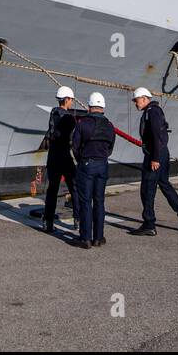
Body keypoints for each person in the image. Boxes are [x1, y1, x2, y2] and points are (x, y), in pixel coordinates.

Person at [129, 86, 178, 235]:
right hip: (160, 154)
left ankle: (149, 224)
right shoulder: (152, 111)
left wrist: (155, 158)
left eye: (136, 100)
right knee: (165, 186)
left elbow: (157, 135)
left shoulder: (152, 112)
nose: (135, 103)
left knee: (147, 189)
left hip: (155, 155)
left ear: (145, 98)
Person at [70, 92, 116, 249]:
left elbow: (75, 146)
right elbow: (110, 148)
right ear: (103, 107)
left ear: (89, 107)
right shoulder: (110, 126)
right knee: (99, 201)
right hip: (103, 164)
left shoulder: (82, 123)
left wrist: (81, 160)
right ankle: (98, 237)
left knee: (85, 201)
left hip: (87, 164)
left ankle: (85, 238)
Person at [40, 86, 78, 233]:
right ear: (67, 99)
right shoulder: (69, 118)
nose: (72, 102)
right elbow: (72, 138)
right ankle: (78, 219)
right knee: (74, 187)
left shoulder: (53, 113)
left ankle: (47, 222)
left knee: (52, 190)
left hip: (53, 156)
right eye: (71, 100)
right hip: (64, 156)